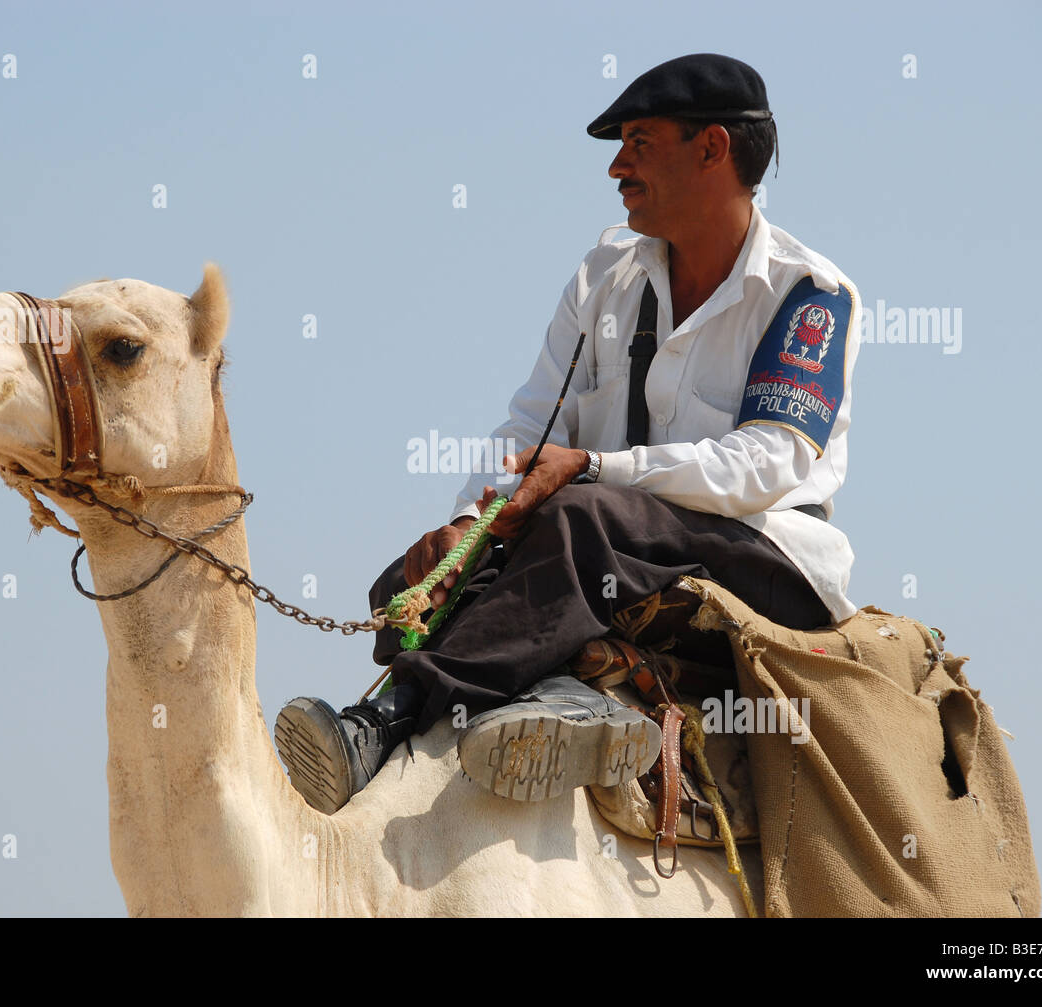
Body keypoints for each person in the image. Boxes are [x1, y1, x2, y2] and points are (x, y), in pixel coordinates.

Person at [275, 53, 862, 815]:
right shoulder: (605, 271)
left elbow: (767, 463)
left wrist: (590, 468)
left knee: (581, 517)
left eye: (640, 143)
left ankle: (381, 719)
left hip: (761, 556)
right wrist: (466, 523)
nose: (618, 166)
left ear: (712, 149)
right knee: (420, 571)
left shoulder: (808, 295)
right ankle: (554, 690)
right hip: (607, 536)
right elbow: (532, 419)